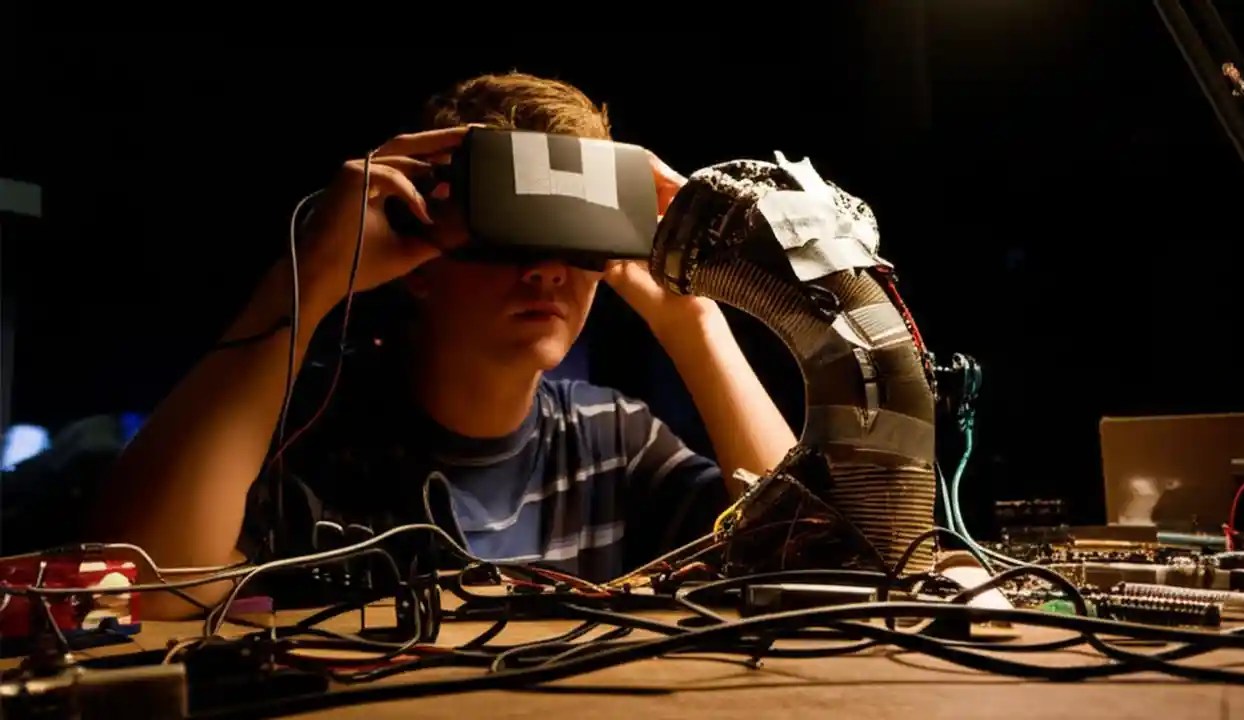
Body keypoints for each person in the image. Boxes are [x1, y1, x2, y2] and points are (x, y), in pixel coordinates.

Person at [93, 72, 797, 619]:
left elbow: (806, 554)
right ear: (419, 258)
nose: (547, 270)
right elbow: (145, 590)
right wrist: (306, 282)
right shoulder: (307, 435)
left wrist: (697, 320)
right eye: (510, 234)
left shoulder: (612, 440)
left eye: (578, 244)